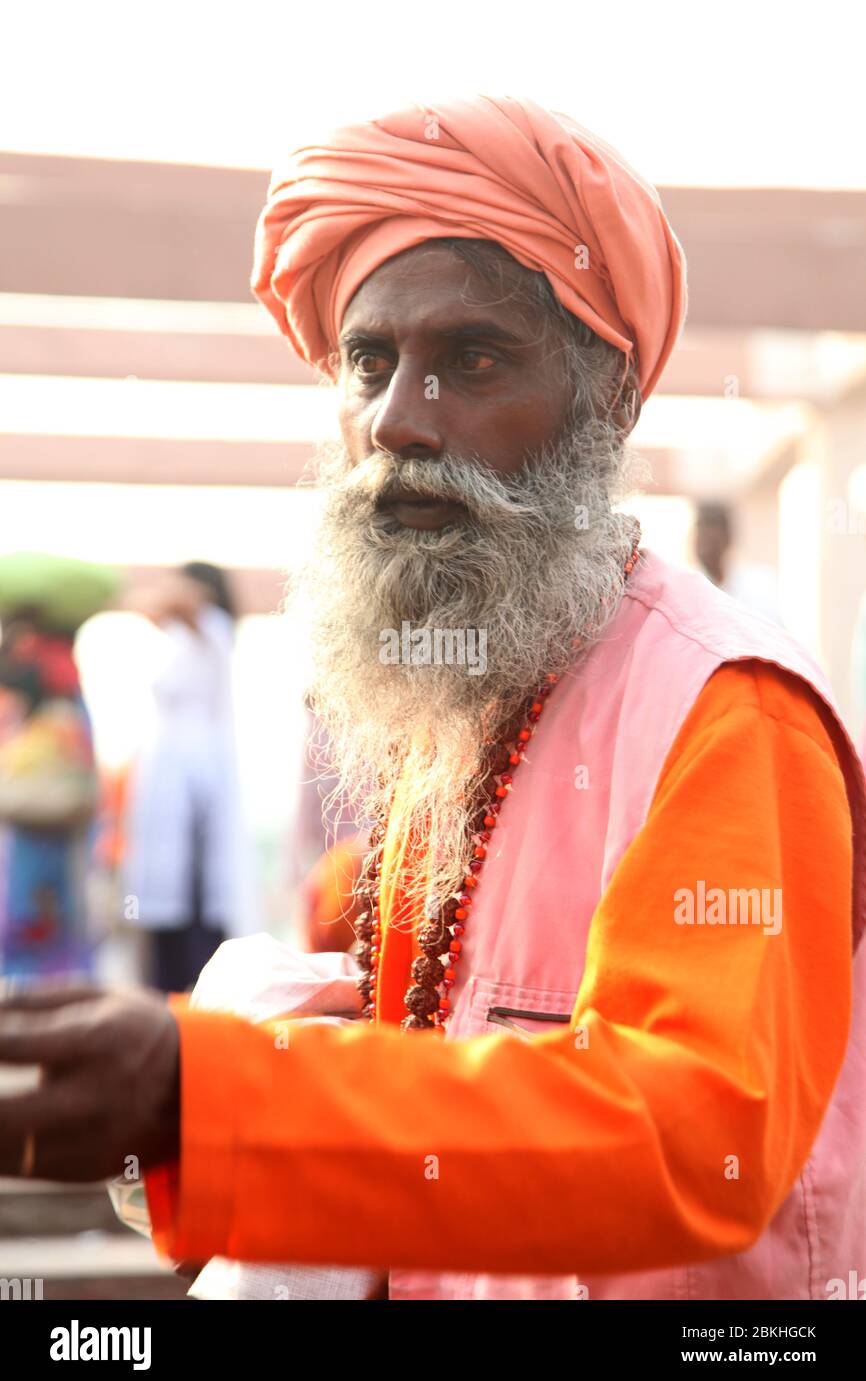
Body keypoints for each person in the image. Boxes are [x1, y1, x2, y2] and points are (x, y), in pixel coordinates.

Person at [1, 95, 864, 1303]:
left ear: (606, 400)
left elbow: (692, 1135)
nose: (400, 419)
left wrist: (210, 1092)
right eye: (369, 363)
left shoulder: (726, 714)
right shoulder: (460, 698)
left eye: (470, 358)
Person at [122, 562, 250, 992]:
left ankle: (191, 993)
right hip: (167, 777)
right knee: (162, 891)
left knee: (194, 888)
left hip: (199, 781)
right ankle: (167, 988)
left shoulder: (212, 629)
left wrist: (175, 591)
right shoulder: (176, 638)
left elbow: (165, 602)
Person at [0, 554, 119, 981]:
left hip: (30, 828)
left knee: (28, 924)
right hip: (61, 828)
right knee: (57, 924)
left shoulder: (29, 664)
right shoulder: (69, 678)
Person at [693, 499, 783, 624]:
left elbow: (773, 632)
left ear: (727, 538)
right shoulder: (690, 590)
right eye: (700, 534)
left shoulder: (760, 584)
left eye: (711, 538)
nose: (704, 544)